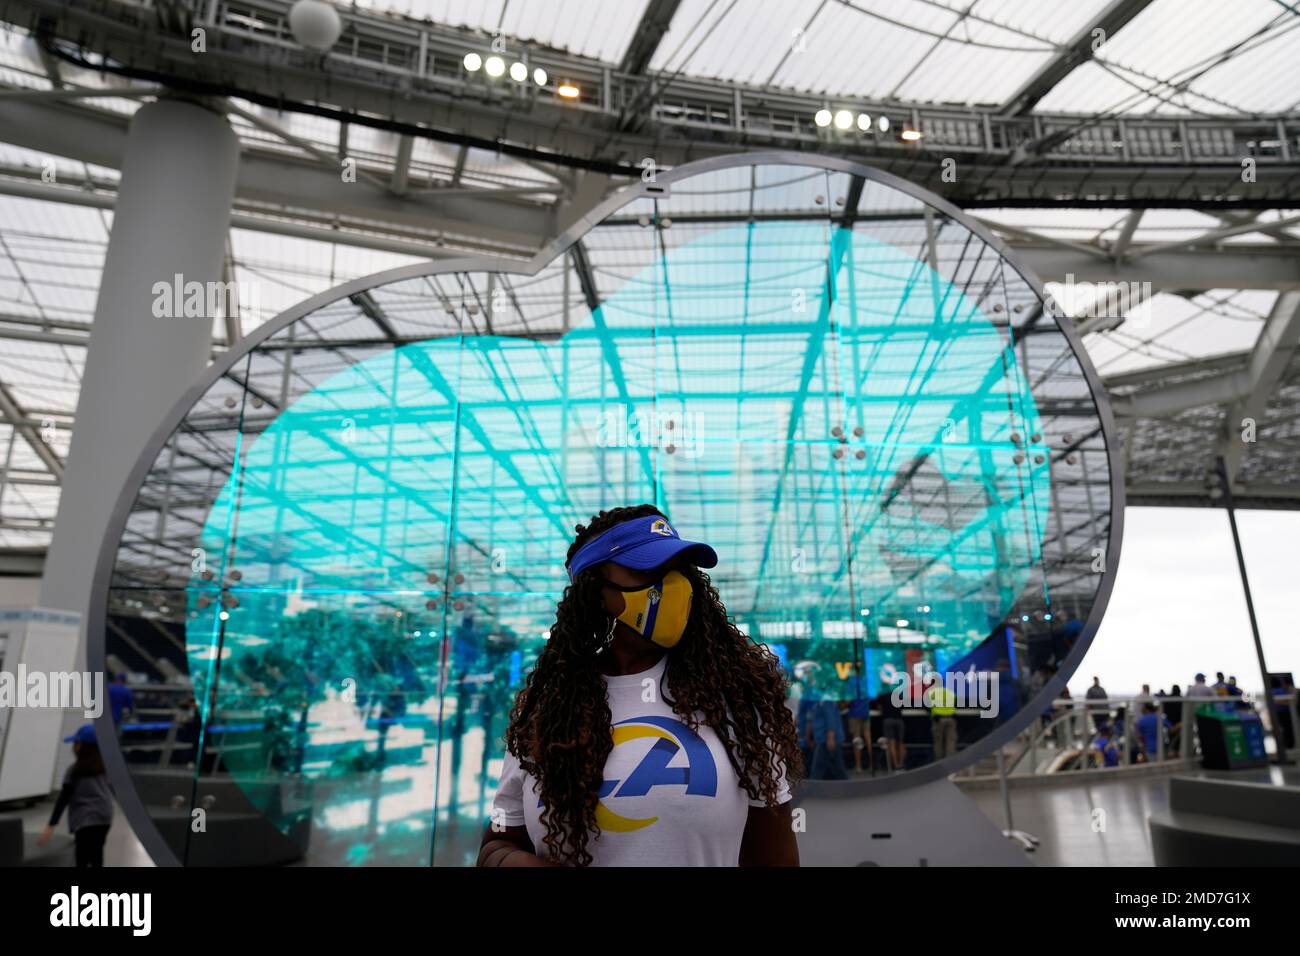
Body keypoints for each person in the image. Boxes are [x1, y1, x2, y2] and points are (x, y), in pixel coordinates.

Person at [480, 505, 800, 867]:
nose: (674, 585)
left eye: (679, 570)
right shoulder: (545, 710)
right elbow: (498, 843)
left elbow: (776, 857)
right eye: (648, 570)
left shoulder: (736, 704)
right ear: (597, 591)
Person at [37, 724, 114, 866]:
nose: (73, 746)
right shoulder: (106, 769)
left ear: (82, 747)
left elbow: (63, 799)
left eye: (75, 743)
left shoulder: (74, 771)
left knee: (82, 857)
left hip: (85, 819)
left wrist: (51, 825)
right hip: (105, 817)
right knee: (97, 853)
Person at [808, 697, 848, 780]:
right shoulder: (819, 701)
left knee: (818, 769)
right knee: (837, 768)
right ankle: (848, 788)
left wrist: (831, 738)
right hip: (822, 739)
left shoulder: (827, 700)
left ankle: (812, 790)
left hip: (826, 740)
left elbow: (831, 719)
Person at [876, 682, 907, 771]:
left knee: (891, 743)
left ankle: (896, 765)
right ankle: (901, 765)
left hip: (888, 720)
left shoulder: (881, 695)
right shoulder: (898, 694)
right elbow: (902, 706)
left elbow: (879, 707)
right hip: (899, 719)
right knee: (901, 743)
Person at [845, 694, 874, 773]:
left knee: (857, 739)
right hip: (865, 713)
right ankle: (872, 765)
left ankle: (858, 766)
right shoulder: (865, 684)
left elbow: (848, 701)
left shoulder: (851, 684)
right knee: (868, 739)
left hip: (854, 713)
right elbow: (871, 697)